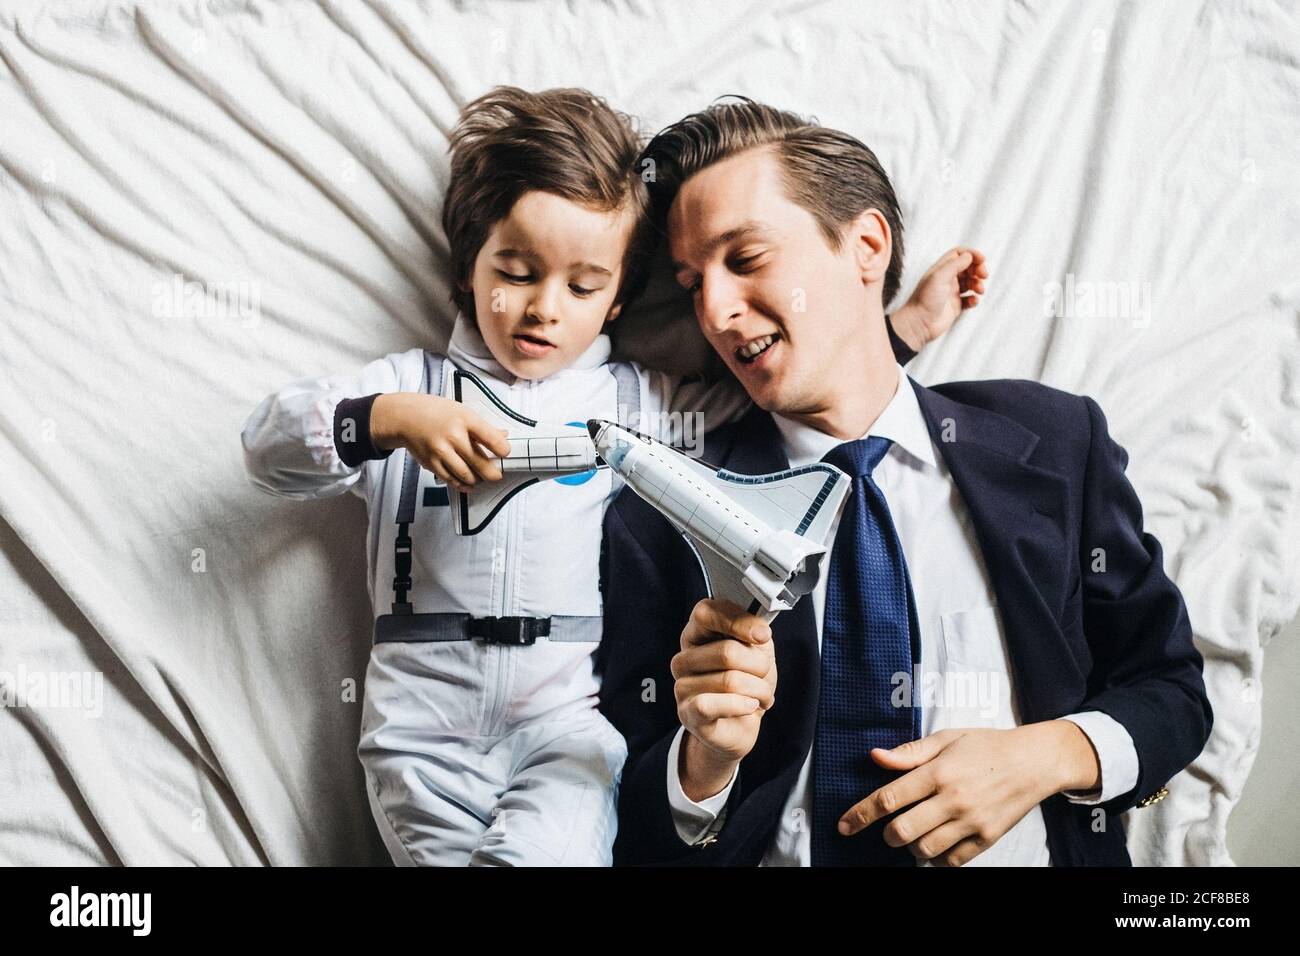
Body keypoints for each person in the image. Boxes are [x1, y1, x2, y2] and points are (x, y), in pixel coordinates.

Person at [240, 87, 978, 866]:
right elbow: (268, 449)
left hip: (566, 726)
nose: (543, 309)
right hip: (422, 724)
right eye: (515, 273)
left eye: (582, 287)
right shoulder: (404, 384)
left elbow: (781, 391)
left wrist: (902, 332)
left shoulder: (638, 402)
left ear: (620, 297)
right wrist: (386, 418)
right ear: (466, 270)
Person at [597, 98, 1213, 867]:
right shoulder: (659, 512)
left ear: (867, 245)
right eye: (692, 283)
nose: (716, 311)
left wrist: (1048, 755)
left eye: (746, 259)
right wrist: (704, 765)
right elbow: (622, 820)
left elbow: (1171, 691)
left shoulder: (1055, 443)